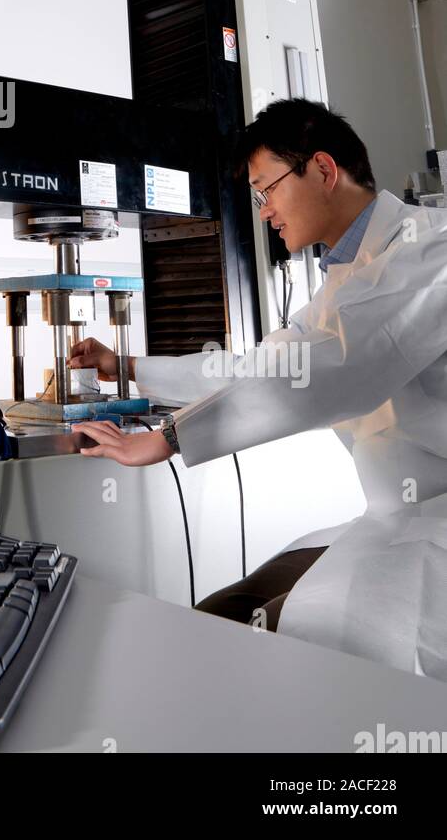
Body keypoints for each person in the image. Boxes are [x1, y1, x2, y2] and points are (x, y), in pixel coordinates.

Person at [70, 97, 447, 679]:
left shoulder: (430, 249)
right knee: (210, 619)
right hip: (391, 523)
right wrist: (123, 365)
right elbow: (259, 367)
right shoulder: (345, 282)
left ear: (323, 170)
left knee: (245, 653)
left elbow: (340, 368)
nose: (265, 209)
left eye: (266, 188)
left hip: (432, 531)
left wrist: (167, 438)